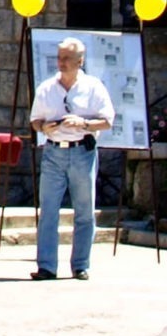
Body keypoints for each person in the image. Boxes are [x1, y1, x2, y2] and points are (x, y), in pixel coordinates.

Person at [29, 37, 115, 281]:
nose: (61, 63)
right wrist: (45, 127)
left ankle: (80, 265)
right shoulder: (46, 88)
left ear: (80, 61)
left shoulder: (94, 87)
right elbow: (35, 120)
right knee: (48, 210)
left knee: (84, 210)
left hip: (82, 152)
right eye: (59, 57)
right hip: (54, 151)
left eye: (67, 58)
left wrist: (84, 123)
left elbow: (108, 120)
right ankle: (47, 266)